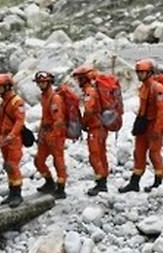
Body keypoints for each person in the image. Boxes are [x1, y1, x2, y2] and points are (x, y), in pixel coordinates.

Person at [118, 60, 163, 193]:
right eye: (138, 72)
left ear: (150, 73)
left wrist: (157, 129)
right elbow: (142, 108)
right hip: (144, 124)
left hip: (154, 124)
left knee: (154, 154)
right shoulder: (144, 87)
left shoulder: (157, 88)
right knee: (138, 153)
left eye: (142, 72)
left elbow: (162, 110)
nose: (139, 75)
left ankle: (158, 183)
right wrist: (138, 124)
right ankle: (134, 183)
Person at [73, 66, 109, 195]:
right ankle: (103, 179)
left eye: (80, 79)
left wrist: (83, 123)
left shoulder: (90, 92)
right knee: (102, 154)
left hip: (95, 128)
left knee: (95, 155)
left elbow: (88, 110)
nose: (78, 82)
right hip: (101, 127)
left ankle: (100, 183)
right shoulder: (95, 90)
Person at [32, 72, 68, 199]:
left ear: (49, 83)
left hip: (55, 134)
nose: (41, 85)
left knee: (58, 160)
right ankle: (49, 182)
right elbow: (44, 117)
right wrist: (40, 133)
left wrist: (54, 135)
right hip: (46, 132)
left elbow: (58, 120)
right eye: (39, 83)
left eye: (43, 82)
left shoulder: (55, 98)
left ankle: (61, 187)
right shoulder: (44, 97)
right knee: (38, 160)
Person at [0, 73, 26, 207]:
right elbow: (0, 122)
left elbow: (19, 121)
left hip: (14, 139)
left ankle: (17, 194)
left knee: (13, 165)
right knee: (8, 165)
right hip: (5, 138)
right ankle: (12, 192)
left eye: (0, 87)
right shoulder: (3, 103)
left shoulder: (17, 102)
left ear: (7, 87)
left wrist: (12, 135)